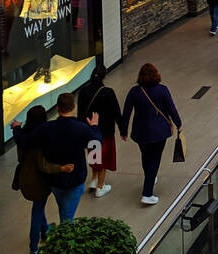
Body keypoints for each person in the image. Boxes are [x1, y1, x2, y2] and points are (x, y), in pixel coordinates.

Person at [21, 93, 102, 220]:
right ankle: (64, 237)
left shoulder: (46, 128)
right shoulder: (82, 128)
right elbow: (96, 145)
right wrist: (94, 126)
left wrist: (16, 128)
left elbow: (24, 141)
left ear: (57, 108)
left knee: (64, 210)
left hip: (54, 179)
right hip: (75, 178)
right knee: (67, 216)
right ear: (74, 106)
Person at [119, 63, 182, 206]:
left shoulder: (134, 92)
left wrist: (123, 130)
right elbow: (171, 108)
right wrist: (178, 123)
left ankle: (150, 177)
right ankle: (147, 193)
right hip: (159, 131)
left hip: (140, 132)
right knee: (155, 159)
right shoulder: (162, 90)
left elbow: (127, 112)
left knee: (146, 156)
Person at [9, 104, 65, 254]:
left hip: (25, 178)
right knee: (37, 211)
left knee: (38, 206)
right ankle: (34, 249)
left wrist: (17, 128)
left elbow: (19, 141)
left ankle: (45, 230)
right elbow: (44, 166)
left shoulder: (23, 136)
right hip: (38, 181)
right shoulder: (39, 142)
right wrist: (61, 168)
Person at [79, 62, 120, 197]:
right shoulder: (108, 92)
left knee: (94, 155)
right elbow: (116, 113)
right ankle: (100, 187)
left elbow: (80, 114)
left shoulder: (83, 91)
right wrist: (123, 129)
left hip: (89, 130)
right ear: (104, 77)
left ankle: (94, 179)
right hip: (105, 132)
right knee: (104, 159)